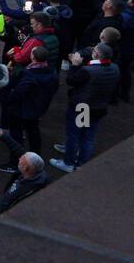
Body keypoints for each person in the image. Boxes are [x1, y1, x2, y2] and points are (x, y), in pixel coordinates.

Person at [50, 43, 120, 172]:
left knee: (74, 134)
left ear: (96, 55)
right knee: (88, 136)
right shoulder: (114, 68)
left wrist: (75, 65)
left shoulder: (88, 71)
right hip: (99, 106)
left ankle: (69, 162)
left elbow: (71, 80)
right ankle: (81, 162)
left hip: (83, 107)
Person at [0, 127, 49, 213]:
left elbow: (9, 205)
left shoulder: (24, 189)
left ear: (25, 168)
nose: (19, 159)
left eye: (21, 160)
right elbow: (18, 150)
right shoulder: (38, 171)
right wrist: (2, 135)